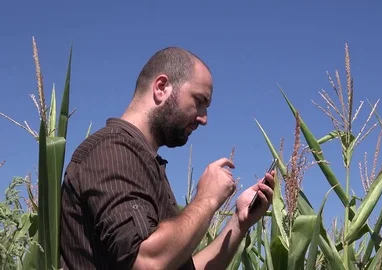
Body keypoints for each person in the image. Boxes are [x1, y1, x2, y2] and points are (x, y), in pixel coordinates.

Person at [59, 47, 275, 270]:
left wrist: (239, 221)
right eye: (199, 100)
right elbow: (147, 262)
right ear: (161, 87)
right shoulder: (112, 150)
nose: (204, 118)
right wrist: (208, 197)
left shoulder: (140, 159)